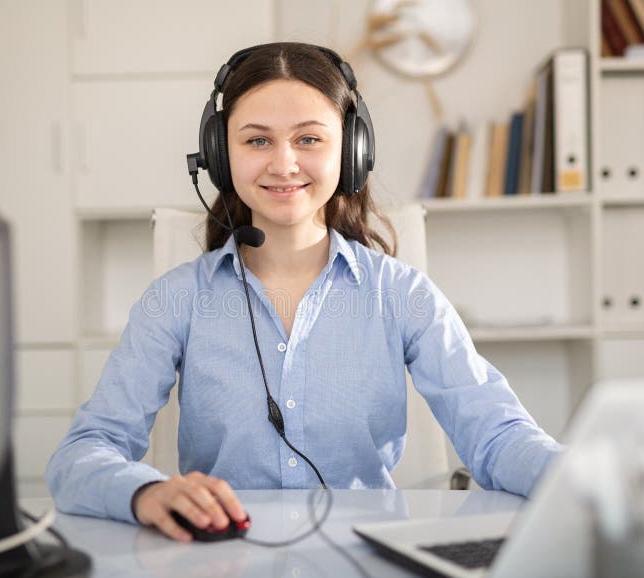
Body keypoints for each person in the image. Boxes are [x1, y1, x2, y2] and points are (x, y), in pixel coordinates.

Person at [45, 42, 562, 543]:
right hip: (224, 560)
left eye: (309, 139)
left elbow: (496, 436)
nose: (284, 163)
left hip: (366, 557)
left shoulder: (402, 294)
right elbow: (83, 454)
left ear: (352, 152)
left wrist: (582, 477)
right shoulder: (177, 299)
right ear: (220, 156)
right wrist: (147, 492)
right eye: (257, 140)